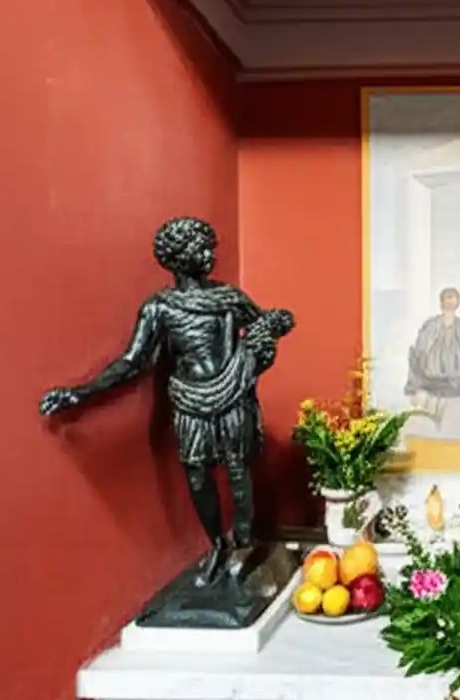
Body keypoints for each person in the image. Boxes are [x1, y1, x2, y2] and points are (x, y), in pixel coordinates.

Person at [39, 217, 293, 586]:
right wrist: (80, 393)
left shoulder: (228, 298)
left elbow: (267, 323)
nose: (208, 255)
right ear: (178, 257)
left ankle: (243, 541)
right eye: (200, 247)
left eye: (209, 246)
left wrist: (275, 326)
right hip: (189, 398)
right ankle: (216, 544)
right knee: (197, 474)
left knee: (239, 470)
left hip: (232, 391)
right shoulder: (159, 308)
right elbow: (133, 361)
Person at [404, 287, 460, 404]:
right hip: (433, 376)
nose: (451, 300)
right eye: (448, 297)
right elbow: (421, 351)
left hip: (457, 377)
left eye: (453, 297)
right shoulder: (431, 325)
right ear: (442, 301)